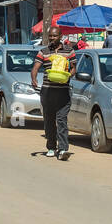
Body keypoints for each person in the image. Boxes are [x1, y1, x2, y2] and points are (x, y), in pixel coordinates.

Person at [30, 29, 75, 160]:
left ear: (60, 36)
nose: (52, 38)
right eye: (50, 36)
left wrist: (68, 76)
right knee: (49, 120)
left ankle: (63, 149)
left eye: (55, 35)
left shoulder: (69, 51)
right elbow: (35, 68)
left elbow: (74, 68)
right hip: (48, 91)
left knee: (61, 120)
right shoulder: (43, 52)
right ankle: (51, 146)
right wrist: (34, 79)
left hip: (63, 92)